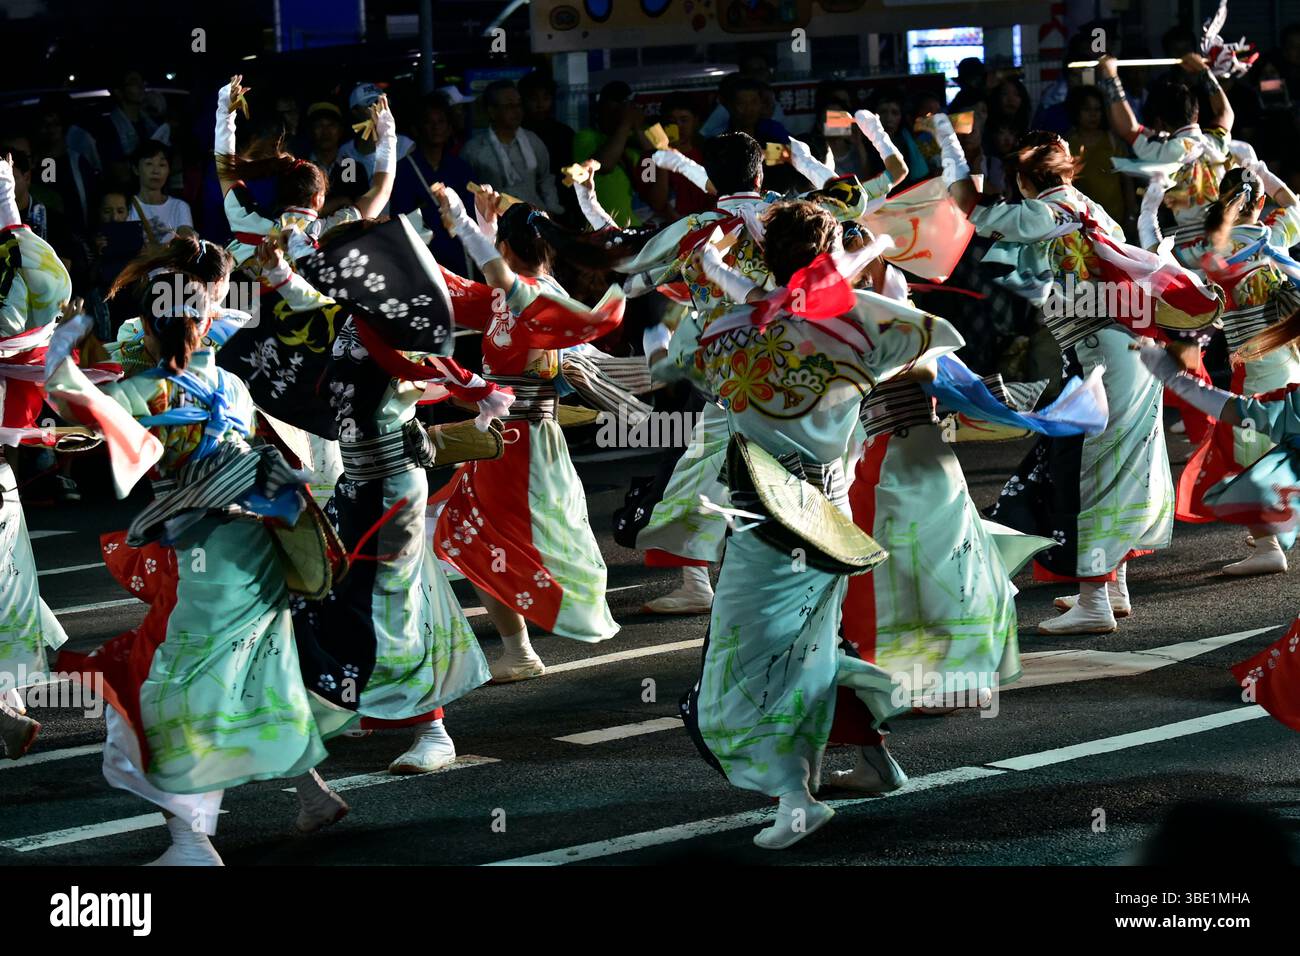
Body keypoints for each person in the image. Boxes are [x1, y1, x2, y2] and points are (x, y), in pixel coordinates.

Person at [45, 259, 351, 867]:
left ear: (152, 332)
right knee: (263, 668)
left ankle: (191, 844)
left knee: (159, 691)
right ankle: (312, 793)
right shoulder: (232, 386)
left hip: (204, 562)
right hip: (258, 550)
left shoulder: (151, 390)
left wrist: (67, 339)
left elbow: (70, 399)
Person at [681, 198, 964, 849]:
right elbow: (934, 339)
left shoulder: (727, 330)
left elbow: (717, 363)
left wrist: (721, 274)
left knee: (749, 661)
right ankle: (872, 758)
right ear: (827, 255)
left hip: (765, 512)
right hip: (830, 511)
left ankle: (793, 794)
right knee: (812, 644)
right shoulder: (858, 323)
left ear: (767, 256)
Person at [941, 123, 1194, 634]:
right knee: (1119, 465)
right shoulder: (1089, 209)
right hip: (1131, 349)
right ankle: (1112, 588)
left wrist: (949, 140)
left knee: (1091, 469)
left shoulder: (1043, 211)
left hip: (1100, 355)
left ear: (1025, 179)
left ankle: (1095, 600)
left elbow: (969, 206)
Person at [431, 183, 624, 679]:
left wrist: (462, 219)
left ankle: (519, 649)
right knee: (471, 531)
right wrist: (485, 227)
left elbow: (496, 276)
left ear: (510, 252)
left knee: (481, 534)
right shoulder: (521, 292)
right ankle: (517, 648)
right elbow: (488, 280)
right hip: (506, 440)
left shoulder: (536, 297)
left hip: (521, 442)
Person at [1172, 163, 1300, 574]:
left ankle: (1268, 545)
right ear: (1259, 202)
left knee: (1239, 453)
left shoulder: (1214, 248)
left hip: (1253, 366)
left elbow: (1169, 266)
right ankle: (1275, 528)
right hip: (1290, 358)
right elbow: (1292, 203)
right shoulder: (1276, 233)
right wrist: (1264, 170)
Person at [0, 155, 72, 760]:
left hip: (5, 463)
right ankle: (5, 697)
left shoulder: (24, 279)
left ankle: (6, 696)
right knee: (9, 580)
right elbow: (51, 285)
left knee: (12, 580)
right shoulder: (29, 277)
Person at [389, 95, 475, 270]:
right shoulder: (403, 171)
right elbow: (401, 219)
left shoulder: (462, 169)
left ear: (450, 128)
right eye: (429, 122)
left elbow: (473, 215)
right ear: (417, 128)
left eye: (441, 121)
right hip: (422, 258)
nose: (436, 127)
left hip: (460, 255)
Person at [461, 81, 562, 216]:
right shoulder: (474, 150)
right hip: (497, 223)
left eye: (518, 105)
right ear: (492, 111)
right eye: (509, 106)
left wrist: (552, 209)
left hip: (535, 220)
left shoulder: (532, 141)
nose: (516, 111)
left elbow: (546, 179)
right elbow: (467, 190)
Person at [572, 82, 647, 228]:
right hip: (600, 231)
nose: (617, 114)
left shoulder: (634, 146)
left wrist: (637, 129)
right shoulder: (585, 138)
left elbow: (650, 179)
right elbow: (604, 165)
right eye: (611, 110)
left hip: (636, 228)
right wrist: (625, 124)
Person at [1065, 86, 1133, 228]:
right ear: (1076, 111)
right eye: (1087, 109)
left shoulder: (1113, 142)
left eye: (1097, 110)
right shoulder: (1068, 145)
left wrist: (1131, 213)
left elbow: (1126, 181)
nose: (1093, 115)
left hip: (1115, 220)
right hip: (1083, 221)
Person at [126, 141, 193, 247]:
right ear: (136, 169)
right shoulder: (126, 206)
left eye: (162, 165)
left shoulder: (179, 206)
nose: (156, 171)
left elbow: (186, 243)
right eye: (149, 164)